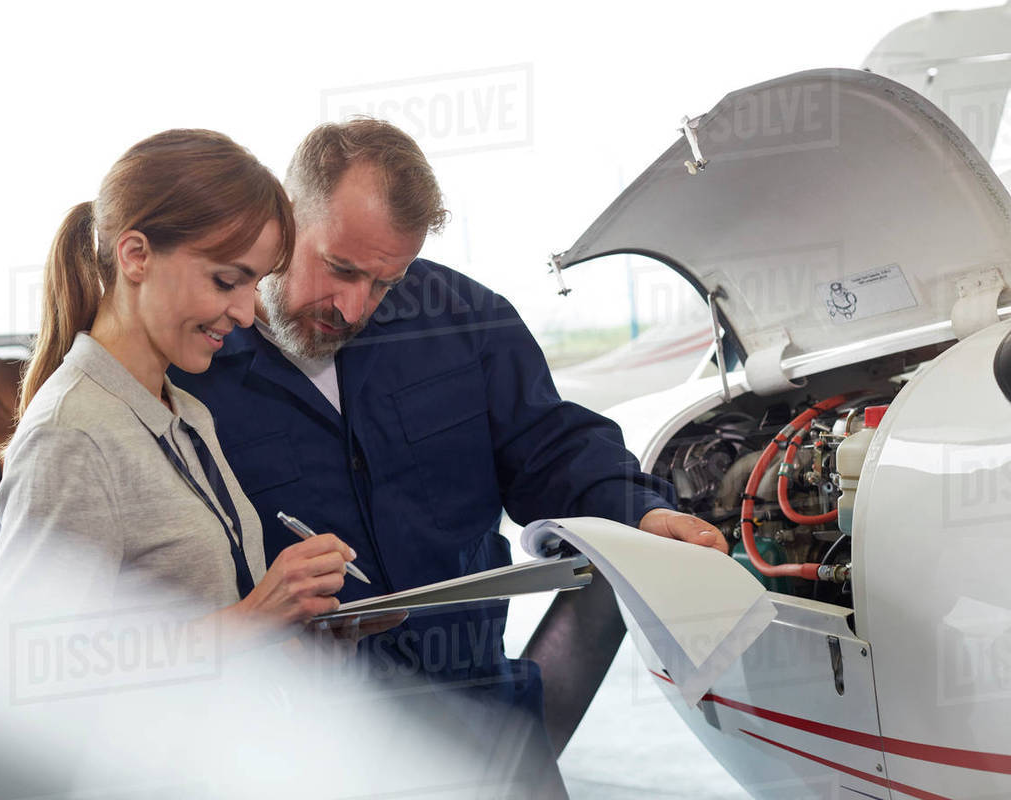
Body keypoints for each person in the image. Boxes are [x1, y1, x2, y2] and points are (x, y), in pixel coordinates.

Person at [170, 118, 730, 795]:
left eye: (384, 283)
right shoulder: (193, 363)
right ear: (286, 219)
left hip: (485, 727)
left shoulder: (465, 322)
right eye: (341, 269)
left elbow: (550, 448)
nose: (354, 308)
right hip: (304, 753)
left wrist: (641, 513)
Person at [0, 129, 360, 643]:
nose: (244, 314)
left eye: (253, 285)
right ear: (136, 256)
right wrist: (253, 618)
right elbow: (36, 670)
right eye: (226, 281)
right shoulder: (72, 435)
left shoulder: (185, 410)